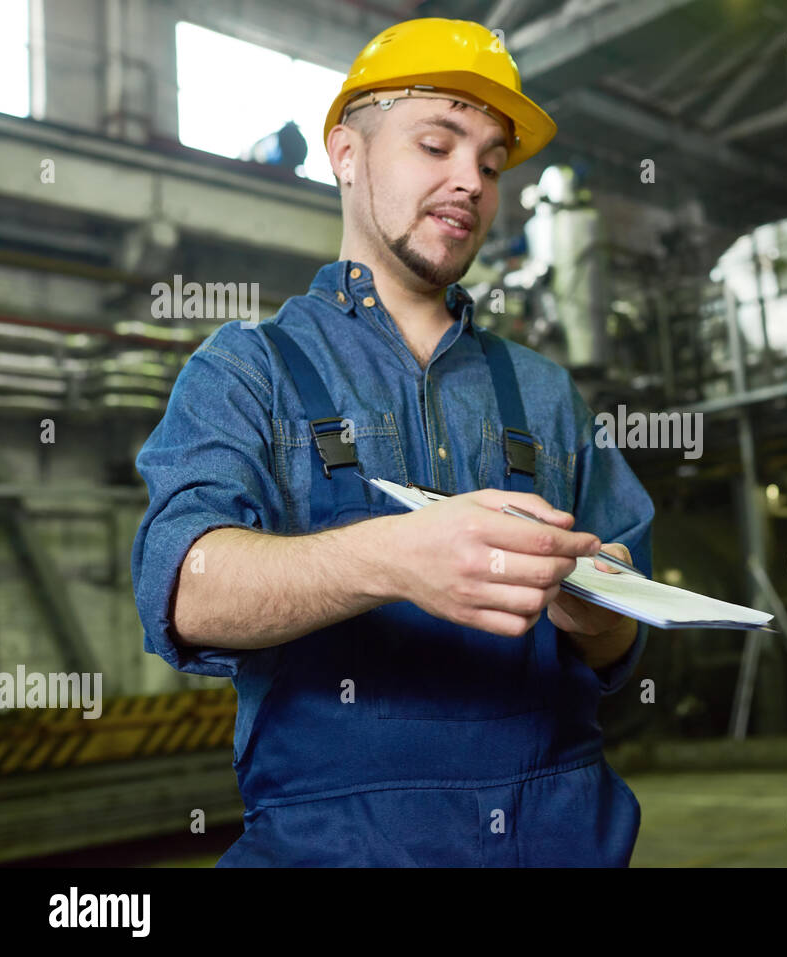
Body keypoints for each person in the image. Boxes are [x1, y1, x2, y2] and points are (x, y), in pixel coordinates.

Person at [130, 18, 654, 867]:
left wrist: (598, 613)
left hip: (558, 834)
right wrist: (392, 558)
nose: (470, 183)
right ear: (345, 154)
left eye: (489, 162)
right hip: (335, 845)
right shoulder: (248, 370)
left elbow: (623, 641)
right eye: (436, 144)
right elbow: (185, 591)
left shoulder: (544, 393)